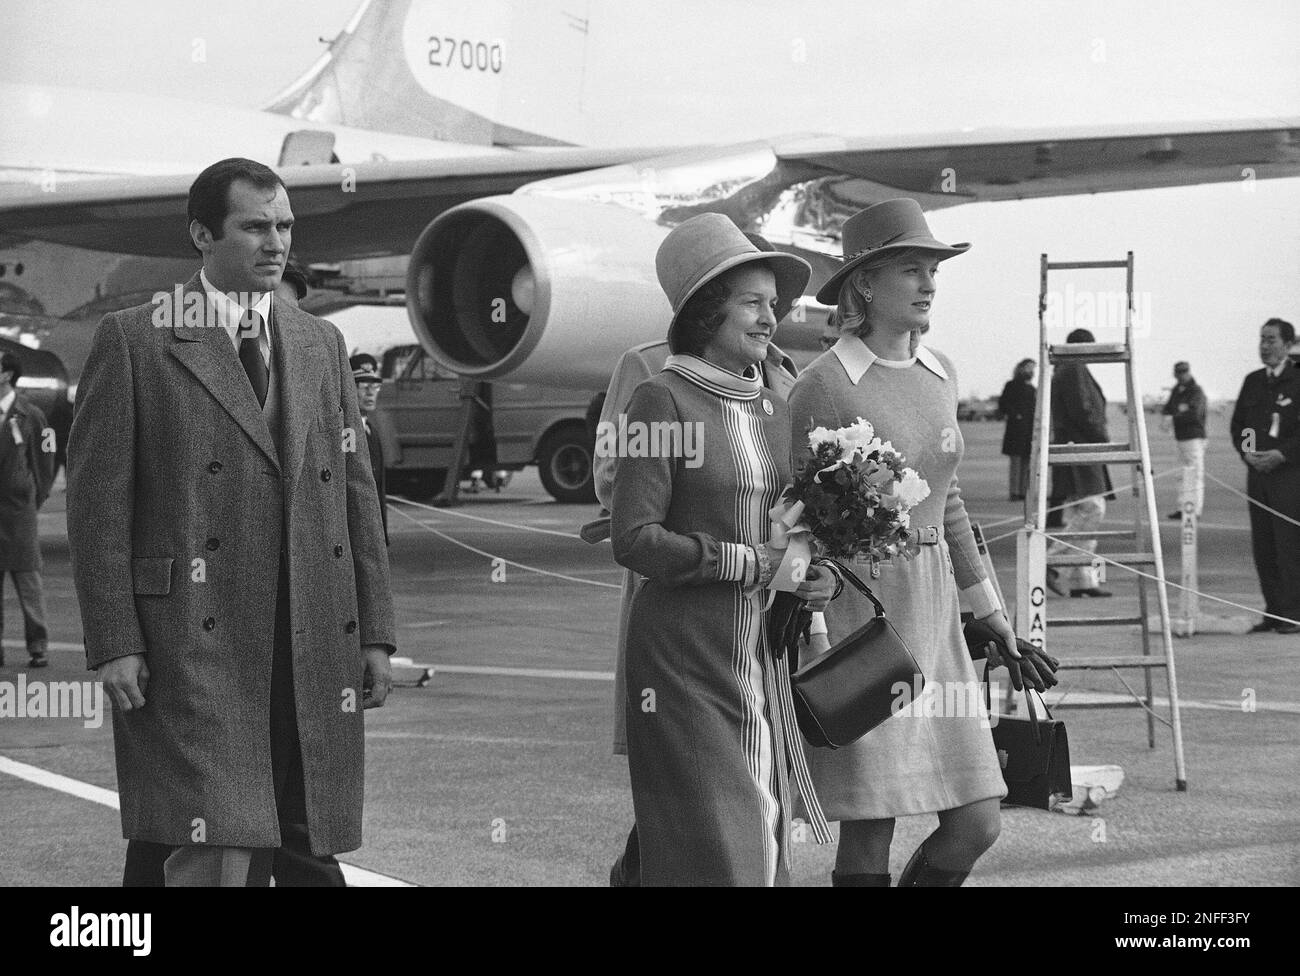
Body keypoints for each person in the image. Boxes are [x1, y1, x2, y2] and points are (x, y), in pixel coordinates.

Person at [66, 157, 396, 887]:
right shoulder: (136, 339)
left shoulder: (319, 343)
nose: (275, 243)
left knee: (304, 832)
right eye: (254, 227)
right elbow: (97, 512)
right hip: (192, 636)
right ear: (201, 234)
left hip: (309, 634)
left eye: (283, 226)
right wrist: (115, 642)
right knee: (210, 829)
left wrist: (374, 633)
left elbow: (355, 497)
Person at [788, 198, 1019, 887]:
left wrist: (993, 612)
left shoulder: (941, 373)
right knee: (872, 824)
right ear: (864, 285)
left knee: (979, 820)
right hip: (867, 621)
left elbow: (950, 503)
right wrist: (811, 581)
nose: (928, 284)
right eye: (911, 270)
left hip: (937, 615)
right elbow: (794, 513)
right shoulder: (823, 384)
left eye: (932, 271)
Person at [610, 213, 837, 886]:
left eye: (775, 304)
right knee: (725, 852)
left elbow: (793, 529)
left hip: (762, 659)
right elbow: (634, 538)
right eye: (754, 303)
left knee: (759, 838)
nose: (772, 318)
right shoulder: (660, 399)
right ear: (709, 310)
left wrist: (815, 572)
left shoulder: (776, 407)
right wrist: (747, 563)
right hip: (682, 661)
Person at [1229, 318, 1300, 635]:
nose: (1265, 345)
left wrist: (1282, 454)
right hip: (1258, 476)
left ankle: (1293, 614)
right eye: (1261, 339)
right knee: (1265, 545)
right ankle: (1274, 611)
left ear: (1288, 344)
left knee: (1289, 545)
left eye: (1271, 339)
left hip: (1290, 475)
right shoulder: (1253, 381)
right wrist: (1249, 453)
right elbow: (1242, 423)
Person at [1045, 327, 1113, 598]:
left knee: (1080, 512)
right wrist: (1102, 436)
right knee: (1092, 509)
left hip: (1076, 448)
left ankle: (1084, 579)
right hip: (1080, 448)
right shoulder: (1073, 369)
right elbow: (1083, 410)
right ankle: (1053, 562)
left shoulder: (1067, 370)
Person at [0, 351, 55, 669]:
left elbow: (45, 461)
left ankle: (38, 645)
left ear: (7, 375)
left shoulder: (31, 414)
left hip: (18, 511)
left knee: (28, 580)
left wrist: (34, 497)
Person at [348, 353, 388, 545]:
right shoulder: (346, 430)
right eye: (364, 387)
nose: (371, 393)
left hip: (371, 527)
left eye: (375, 386)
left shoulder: (369, 428)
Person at [1162, 361, 1208, 519]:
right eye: (1179, 373)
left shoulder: (1196, 391)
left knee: (1194, 474)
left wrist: (1174, 416)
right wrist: (1175, 413)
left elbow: (1194, 414)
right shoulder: (1177, 390)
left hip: (1194, 437)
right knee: (1181, 474)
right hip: (1180, 437)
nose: (1181, 375)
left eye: (1183, 372)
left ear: (1188, 372)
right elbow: (1168, 408)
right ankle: (1183, 507)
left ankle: (1195, 510)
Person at [998, 358, 1037, 501]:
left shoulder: (1032, 388)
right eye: (1028, 368)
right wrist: (1016, 415)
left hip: (1029, 429)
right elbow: (1003, 404)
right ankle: (1014, 491)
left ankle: (1022, 491)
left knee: (1026, 461)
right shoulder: (1012, 385)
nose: (1031, 371)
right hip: (1016, 429)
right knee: (1016, 461)